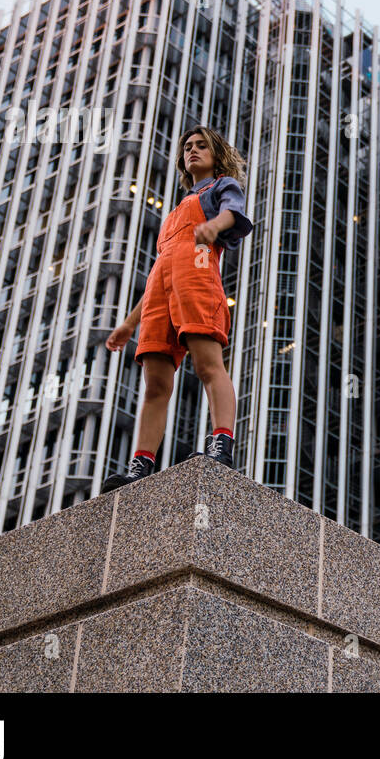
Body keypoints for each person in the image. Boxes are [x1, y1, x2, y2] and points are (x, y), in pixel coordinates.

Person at [101, 125, 253, 491]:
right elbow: (161, 269)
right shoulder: (174, 211)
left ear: (217, 154)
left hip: (197, 276)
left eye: (202, 146)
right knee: (155, 383)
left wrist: (214, 225)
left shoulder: (221, 187)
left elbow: (234, 212)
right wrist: (127, 324)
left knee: (207, 364)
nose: (193, 151)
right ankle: (141, 465)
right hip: (159, 293)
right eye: (187, 147)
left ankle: (221, 444)